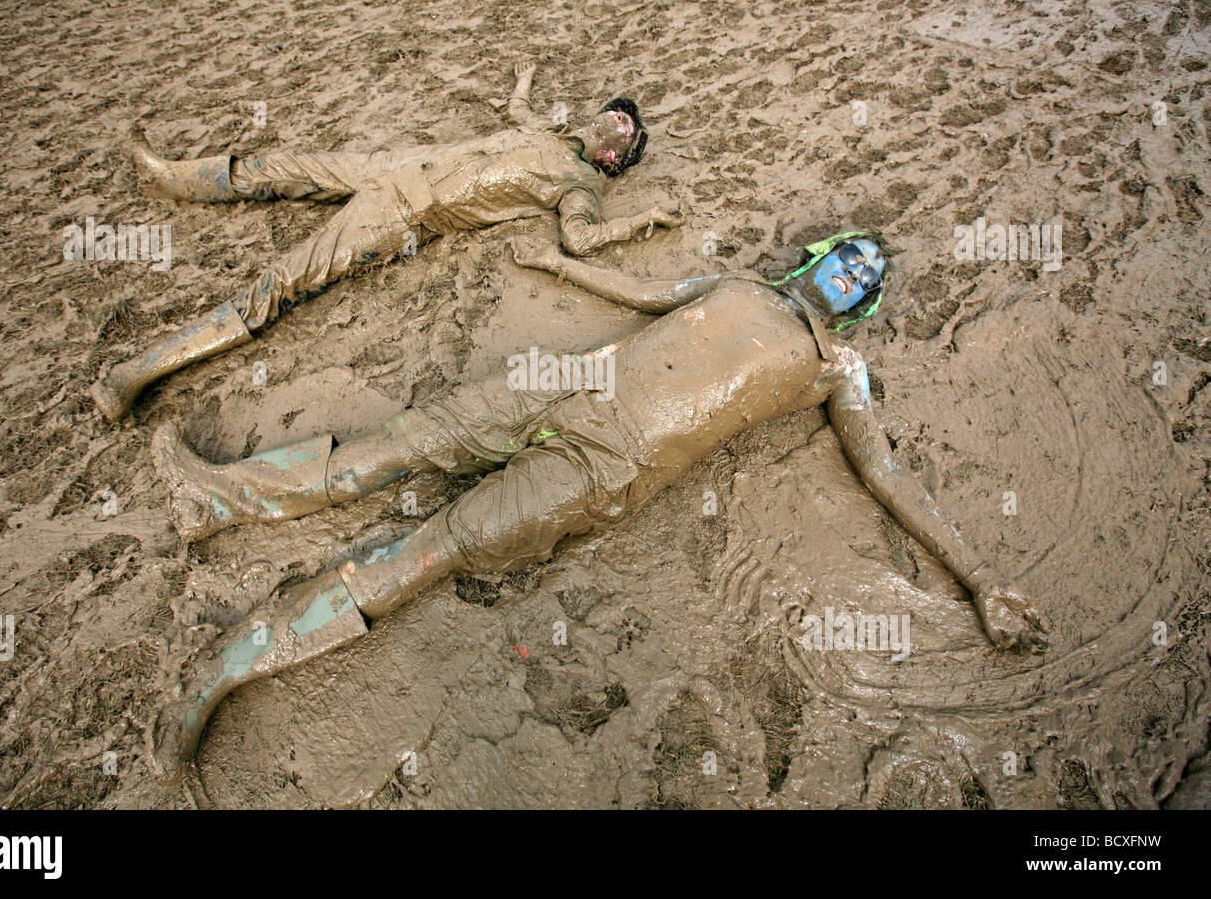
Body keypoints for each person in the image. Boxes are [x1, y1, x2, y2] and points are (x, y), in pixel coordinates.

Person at [148, 233, 1049, 783]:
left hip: (606, 469)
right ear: (819, 257)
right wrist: (556, 262)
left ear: (865, 306)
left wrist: (981, 582)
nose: (852, 275)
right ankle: (220, 496)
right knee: (403, 443)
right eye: (848, 256)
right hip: (563, 387)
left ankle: (228, 668)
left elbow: (885, 472)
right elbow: (644, 296)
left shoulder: (835, 370)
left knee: (430, 551)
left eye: (866, 277)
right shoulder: (740, 284)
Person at [92, 63, 683, 423]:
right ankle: (168, 175)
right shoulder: (548, 132)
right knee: (282, 166)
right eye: (615, 111)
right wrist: (525, 79)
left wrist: (644, 218)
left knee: (280, 282)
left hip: (403, 212)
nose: (612, 117)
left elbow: (580, 242)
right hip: (393, 165)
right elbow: (517, 110)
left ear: (613, 158)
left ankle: (136, 375)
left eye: (623, 128)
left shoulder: (583, 187)